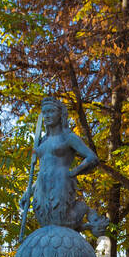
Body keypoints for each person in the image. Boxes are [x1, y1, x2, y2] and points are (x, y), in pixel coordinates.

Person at [18, 97, 108, 236]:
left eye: (51, 111)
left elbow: (92, 158)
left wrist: (73, 172)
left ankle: (84, 210)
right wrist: (28, 193)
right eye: (44, 112)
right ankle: (85, 225)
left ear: (60, 114)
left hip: (61, 183)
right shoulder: (42, 141)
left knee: (59, 221)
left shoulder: (68, 137)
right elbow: (42, 170)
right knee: (46, 224)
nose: (47, 115)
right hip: (42, 187)